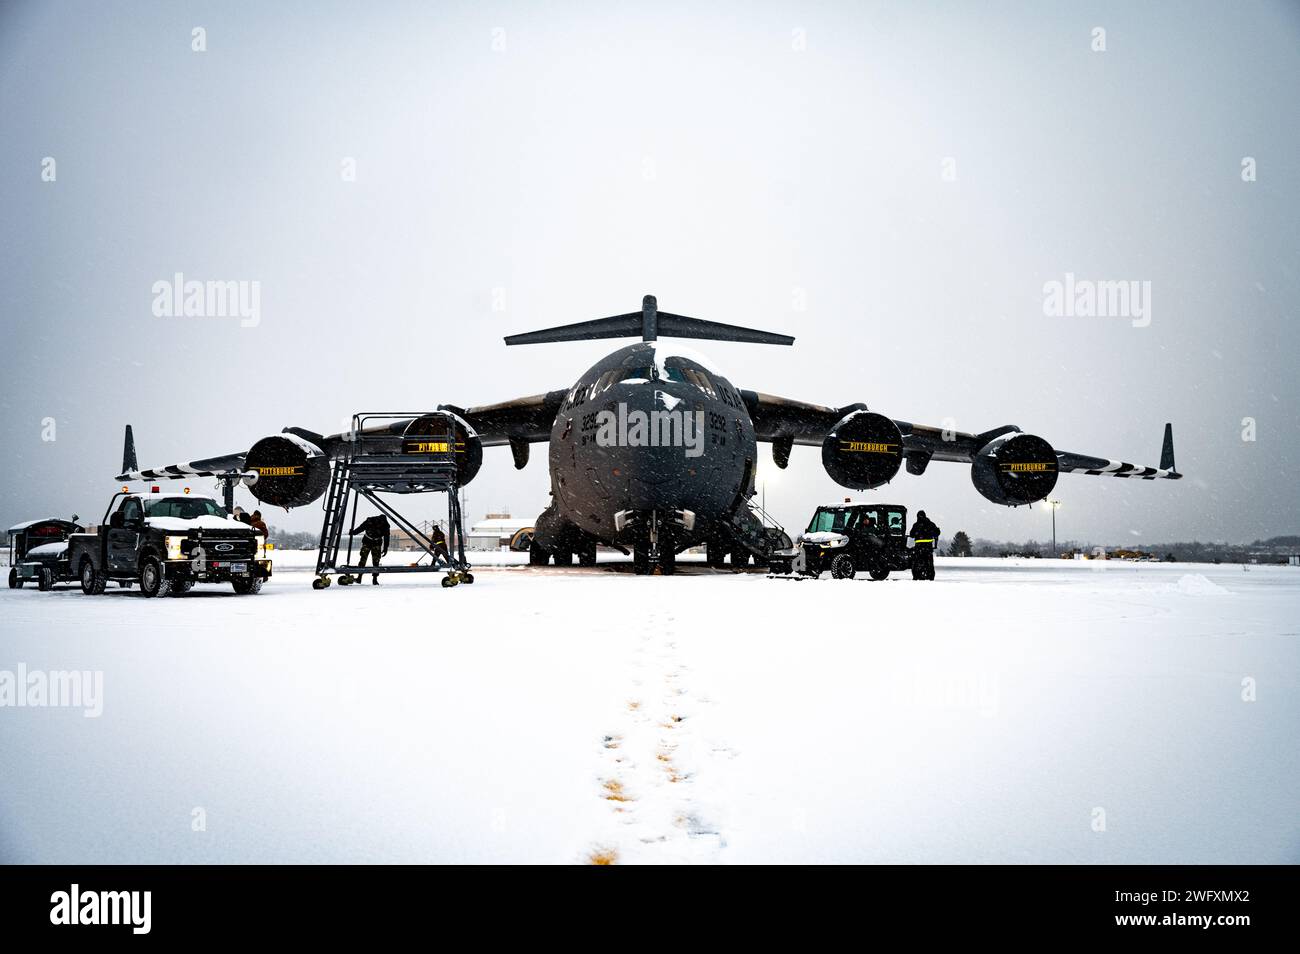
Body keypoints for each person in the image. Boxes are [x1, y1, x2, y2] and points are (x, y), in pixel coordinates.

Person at [348, 514, 390, 584]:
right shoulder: (370, 521)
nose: (380, 525)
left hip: (377, 543)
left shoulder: (385, 525)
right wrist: (354, 532)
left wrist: (385, 548)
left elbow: (386, 537)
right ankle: (359, 577)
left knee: (376, 561)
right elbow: (361, 528)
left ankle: (374, 579)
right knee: (363, 559)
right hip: (367, 542)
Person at [909, 510, 941, 581]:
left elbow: (911, 535)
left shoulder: (916, 525)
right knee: (929, 563)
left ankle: (917, 576)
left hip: (918, 547)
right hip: (928, 547)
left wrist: (918, 533)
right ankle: (930, 576)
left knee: (917, 562)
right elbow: (937, 532)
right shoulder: (931, 524)